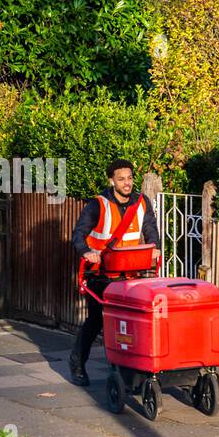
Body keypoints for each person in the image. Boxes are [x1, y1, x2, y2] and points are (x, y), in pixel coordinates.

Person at [68, 159, 160, 386]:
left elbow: (151, 230)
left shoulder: (141, 202)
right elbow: (78, 235)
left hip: (131, 273)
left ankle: (127, 369)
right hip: (101, 274)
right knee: (97, 319)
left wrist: (155, 248)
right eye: (121, 179)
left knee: (131, 320)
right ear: (111, 181)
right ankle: (77, 362)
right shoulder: (97, 205)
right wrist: (86, 252)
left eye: (129, 178)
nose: (127, 183)